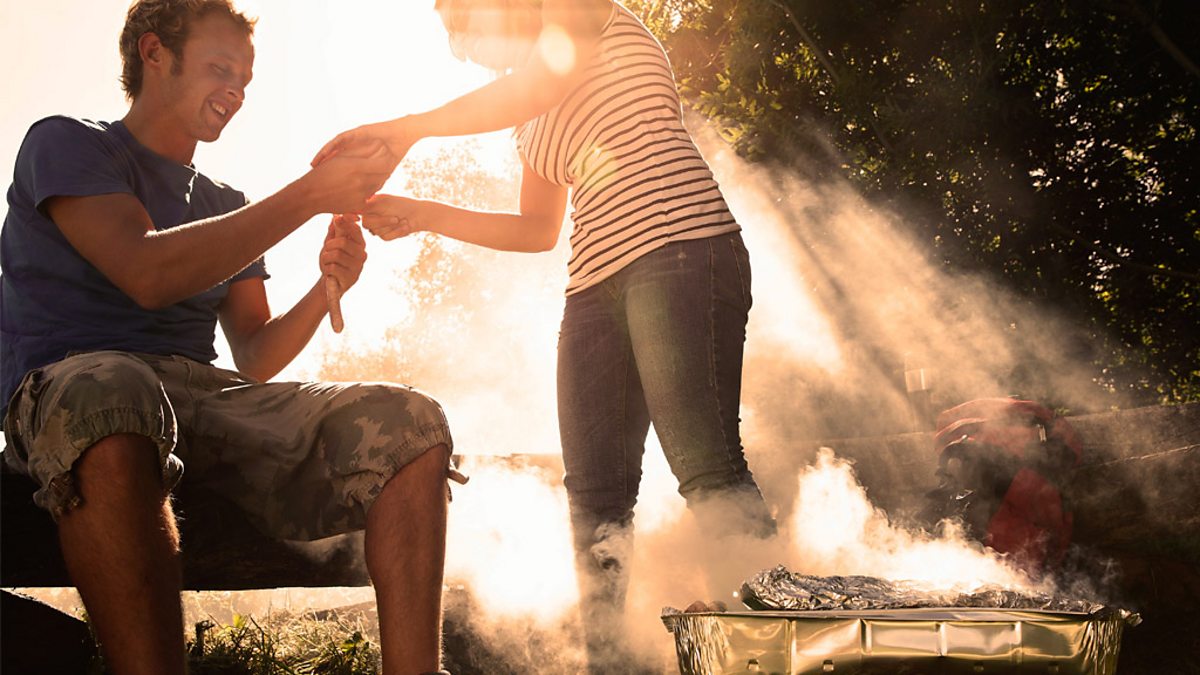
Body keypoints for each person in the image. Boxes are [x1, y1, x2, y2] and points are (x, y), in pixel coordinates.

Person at [315, 0, 777, 669]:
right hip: (592, 287)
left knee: (707, 469)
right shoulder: (528, 116)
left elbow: (537, 83)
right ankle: (612, 664)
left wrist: (407, 129)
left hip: (680, 247)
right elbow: (537, 227)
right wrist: (423, 214)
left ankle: (766, 653)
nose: (461, 49)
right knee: (594, 497)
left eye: (460, 24)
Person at [0, 2, 455, 674]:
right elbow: (146, 271)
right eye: (220, 70)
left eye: (245, 77)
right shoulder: (66, 142)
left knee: (411, 420)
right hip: (74, 390)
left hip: (201, 398)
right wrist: (309, 194)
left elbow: (256, 352)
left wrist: (328, 289)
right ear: (153, 54)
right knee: (117, 393)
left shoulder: (227, 203)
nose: (236, 92)